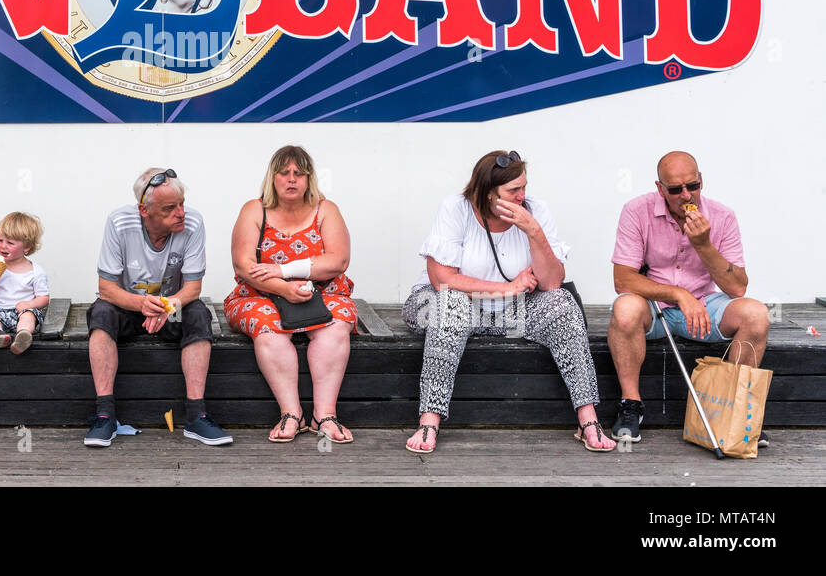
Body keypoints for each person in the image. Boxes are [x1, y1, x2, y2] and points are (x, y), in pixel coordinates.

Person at [403, 150, 614, 454]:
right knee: (451, 302)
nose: (521, 196)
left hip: (512, 312)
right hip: (443, 304)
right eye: (513, 190)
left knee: (563, 304)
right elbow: (442, 280)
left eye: (524, 187)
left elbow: (551, 283)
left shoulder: (535, 211)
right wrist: (508, 287)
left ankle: (587, 420)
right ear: (488, 193)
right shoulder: (456, 208)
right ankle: (429, 420)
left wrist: (534, 232)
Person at [607, 150, 770, 445]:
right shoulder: (636, 210)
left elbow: (737, 288)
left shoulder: (723, 216)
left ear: (701, 181)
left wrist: (703, 245)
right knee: (625, 307)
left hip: (705, 304)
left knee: (756, 314)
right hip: (654, 305)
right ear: (660, 189)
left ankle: (734, 411)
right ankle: (630, 405)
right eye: (675, 189)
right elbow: (623, 279)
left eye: (692, 186)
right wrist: (678, 294)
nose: (686, 195)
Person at [84, 167, 231, 448]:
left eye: (181, 204)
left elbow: (193, 288)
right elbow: (107, 288)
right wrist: (142, 304)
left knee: (199, 314)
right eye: (169, 208)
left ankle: (196, 416)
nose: (181, 213)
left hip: (170, 308)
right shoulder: (119, 222)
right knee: (101, 312)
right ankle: (104, 415)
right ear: (144, 210)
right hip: (129, 306)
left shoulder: (193, 223)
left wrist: (167, 305)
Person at [225, 145, 357, 442]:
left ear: (310, 179)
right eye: (284, 173)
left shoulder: (326, 209)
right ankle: (291, 414)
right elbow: (244, 265)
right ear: (273, 177)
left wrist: (283, 271)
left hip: (322, 293)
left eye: (299, 173)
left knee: (336, 327)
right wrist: (282, 288)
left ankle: (325, 415)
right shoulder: (254, 209)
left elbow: (338, 260)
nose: (292, 179)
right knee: (269, 329)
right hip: (260, 295)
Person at [0, 212, 50, 355]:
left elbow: (44, 298)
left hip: (21, 312)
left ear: (26, 247)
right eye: (0, 240)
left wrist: (29, 304)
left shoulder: (35, 271)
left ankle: (23, 336)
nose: (3, 246)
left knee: (29, 315)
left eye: (10, 243)